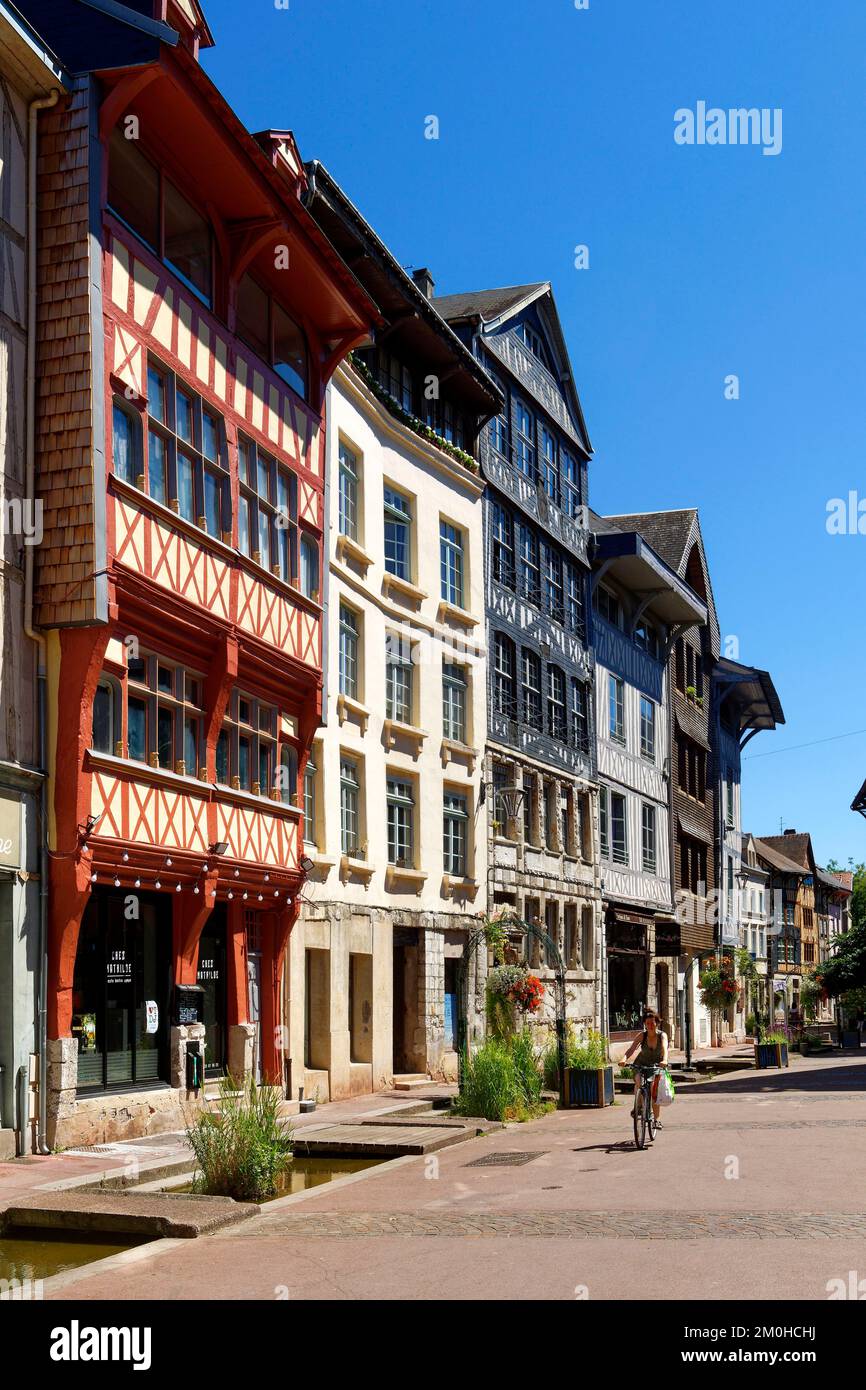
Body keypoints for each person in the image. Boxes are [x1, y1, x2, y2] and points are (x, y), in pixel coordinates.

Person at [622, 1009, 669, 1125]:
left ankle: (656, 1120)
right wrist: (623, 1059)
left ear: (657, 1023)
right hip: (641, 1064)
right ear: (644, 1024)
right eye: (647, 1023)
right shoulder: (642, 1036)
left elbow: (664, 1048)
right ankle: (638, 1106)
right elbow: (631, 1049)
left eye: (652, 1023)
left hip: (656, 1066)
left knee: (654, 1092)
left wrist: (665, 1060)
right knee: (638, 1081)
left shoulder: (662, 1035)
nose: (650, 1026)